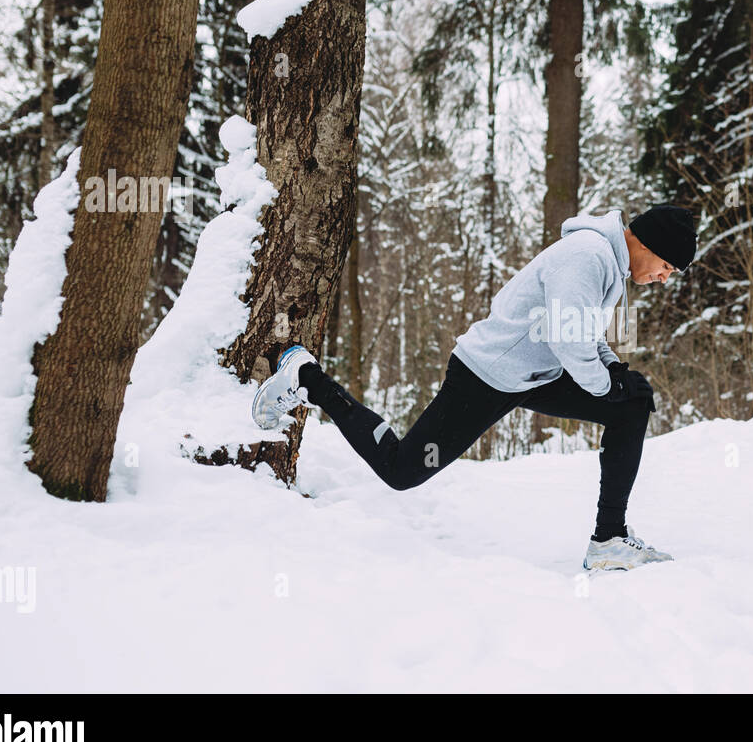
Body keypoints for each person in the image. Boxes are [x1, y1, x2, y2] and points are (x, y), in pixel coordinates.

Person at [251, 205, 698, 571]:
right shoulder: (588, 255)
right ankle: (306, 377)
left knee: (631, 404)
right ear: (645, 243)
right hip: (488, 373)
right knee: (402, 471)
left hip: (534, 375)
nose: (664, 277)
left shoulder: (608, 265)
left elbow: (583, 334)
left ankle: (609, 539)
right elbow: (568, 340)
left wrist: (614, 372)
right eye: (665, 266)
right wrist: (606, 387)